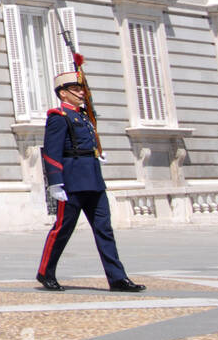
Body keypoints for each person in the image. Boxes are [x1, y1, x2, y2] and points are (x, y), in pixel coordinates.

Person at [36, 71, 145, 293]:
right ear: (63, 94)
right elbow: (52, 151)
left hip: (93, 178)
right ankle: (45, 271)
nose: (80, 93)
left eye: (81, 89)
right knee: (62, 229)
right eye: (75, 90)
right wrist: (55, 182)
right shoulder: (58, 116)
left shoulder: (84, 116)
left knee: (104, 229)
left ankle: (117, 278)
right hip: (72, 181)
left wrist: (96, 154)